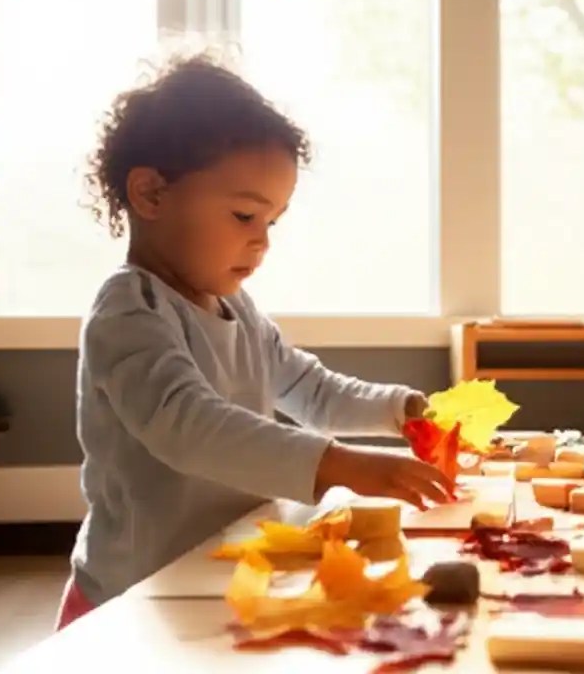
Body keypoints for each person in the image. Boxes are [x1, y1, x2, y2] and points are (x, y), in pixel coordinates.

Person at [57, 55, 453, 629]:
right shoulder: (128, 312)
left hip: (218, 573)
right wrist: (337, 463)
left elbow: (310, 391)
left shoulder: (236, 309)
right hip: (135, 597)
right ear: (150, 194)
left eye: (272, 222)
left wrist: (401, 410)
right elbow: (188, 425)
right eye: (244, 215)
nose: (262, 242)